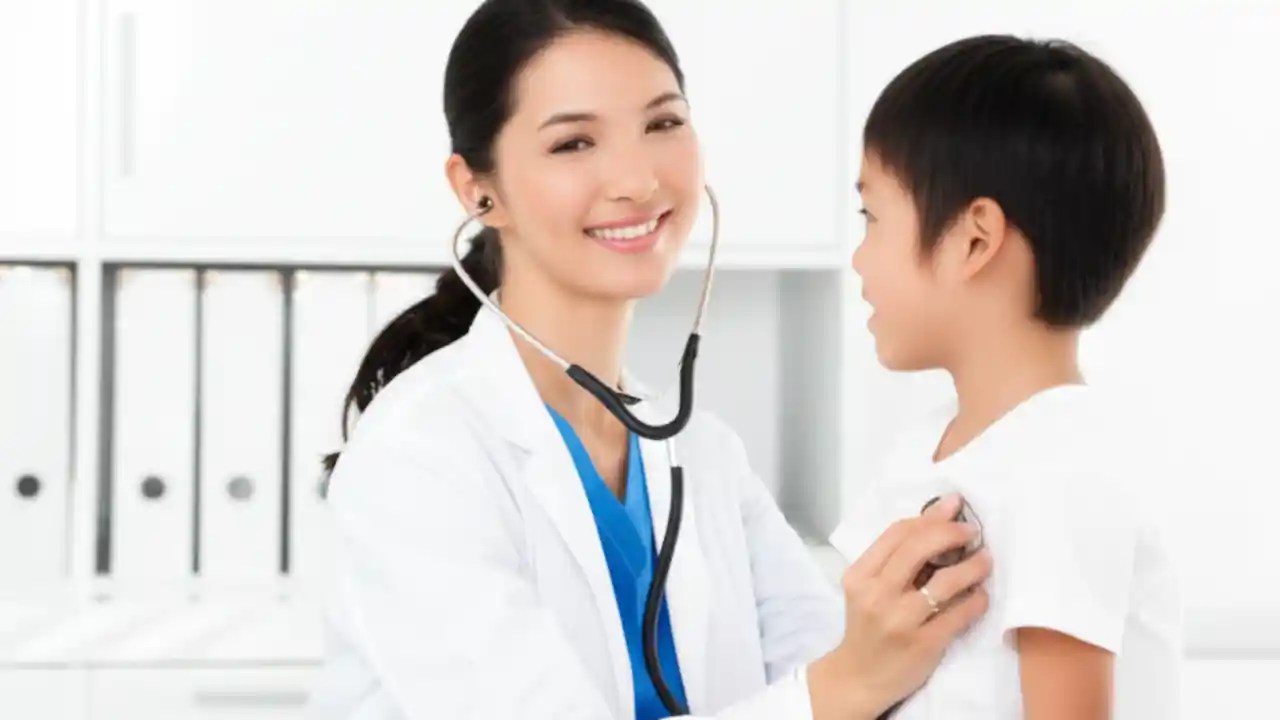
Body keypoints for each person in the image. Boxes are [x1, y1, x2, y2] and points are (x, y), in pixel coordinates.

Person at [306, 1, 990, 719]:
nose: (635, 179)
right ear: (478, 189)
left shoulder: (702, 454)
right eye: (573, 143)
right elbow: (837, 688)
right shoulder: (419, 455)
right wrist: (848, 684)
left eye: (663, 124)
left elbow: (840, 669)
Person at [830, 35, 1182, 719]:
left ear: (973, 241)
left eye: (871, 218)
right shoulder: (925, 450)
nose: (859, 259)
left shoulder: (1066, 471)